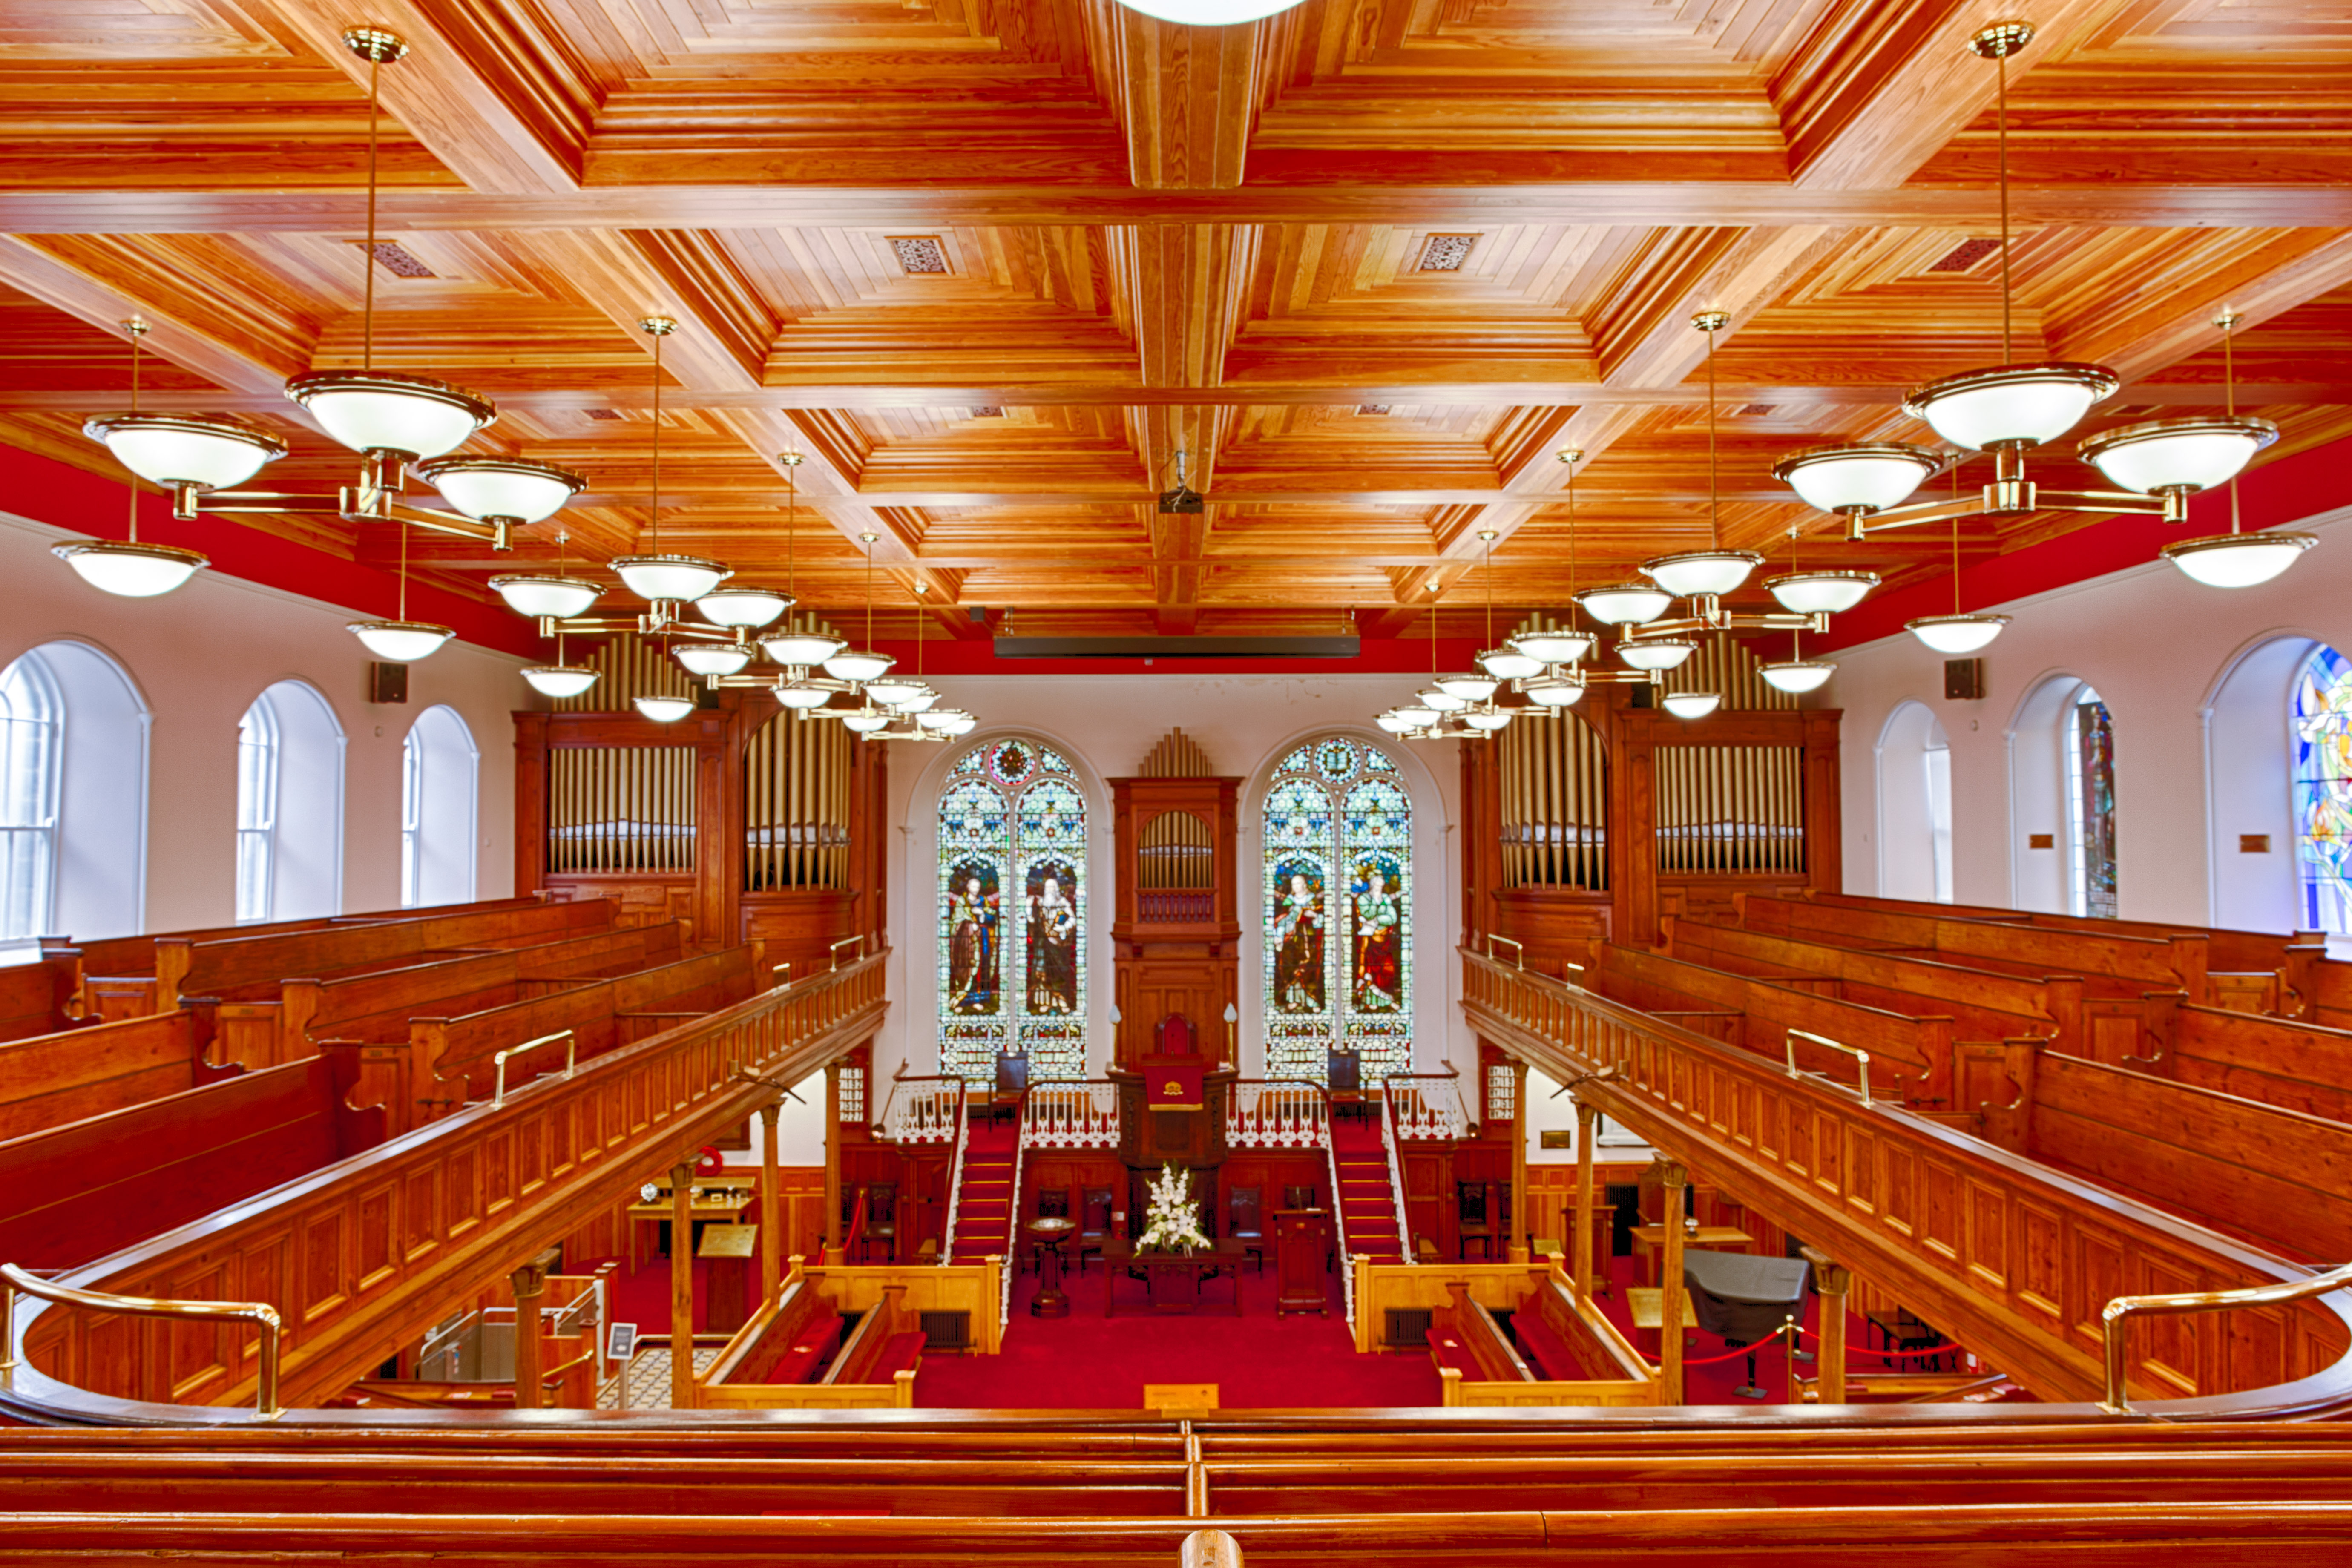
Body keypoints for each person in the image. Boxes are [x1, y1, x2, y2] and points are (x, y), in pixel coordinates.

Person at [1272, 869, 1325, 1013]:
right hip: (1292, 940)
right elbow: (1286, 918)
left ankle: (1312, 1000)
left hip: (1310, 939)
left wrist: (1314, 915)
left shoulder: (1312, 899)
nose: (1296, 887)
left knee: (1309, 969)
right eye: (1293, 884)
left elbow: (1320, 920)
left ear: (1304, 885)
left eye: (1298, 884)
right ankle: (1293, 1000)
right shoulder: (1289, 900)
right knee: (1291, 968)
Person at [1027, 872, 1078, 1014]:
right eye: (1047, 888)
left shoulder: (1062, 902)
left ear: (1057, 889)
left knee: (1059, 974)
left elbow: (1073, 919)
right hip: (1043, 945)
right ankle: (1047, 1003)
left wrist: (1063, 928)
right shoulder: (1040, 903)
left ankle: (1062, 1001)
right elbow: (1033, 922)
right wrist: (1027, 910)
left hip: (1058, 946)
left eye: (1052, 887)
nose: (1050, 890)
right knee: (1043, 974)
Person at [1353, 864, 1402, 1011]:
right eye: (1376, 887)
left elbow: (1392, 917)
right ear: (1371, 886)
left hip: (1384, 939)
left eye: (1381, 887)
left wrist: (1378, 920)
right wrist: (1378, 904)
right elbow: (1367, 914)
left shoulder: (1385, 898)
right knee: (1369, 969)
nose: (1379, 890)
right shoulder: (1364, 899)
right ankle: (1368, 1000)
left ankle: (1386, 999)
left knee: (1387, 969)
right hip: (1368, 941)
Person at [947, 871, 997, 1014]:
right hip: (965, 941)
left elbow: (991, 917)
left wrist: (982, 915)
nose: (975, 889)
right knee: (965, 967)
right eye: (973, 886)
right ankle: (961, 999)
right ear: (968, 887)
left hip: (982, 939)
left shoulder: (983, 900)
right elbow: (956, 919)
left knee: (981, 966)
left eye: (978, 886)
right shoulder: (962, 901)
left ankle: (977, 999)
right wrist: (969, 924)